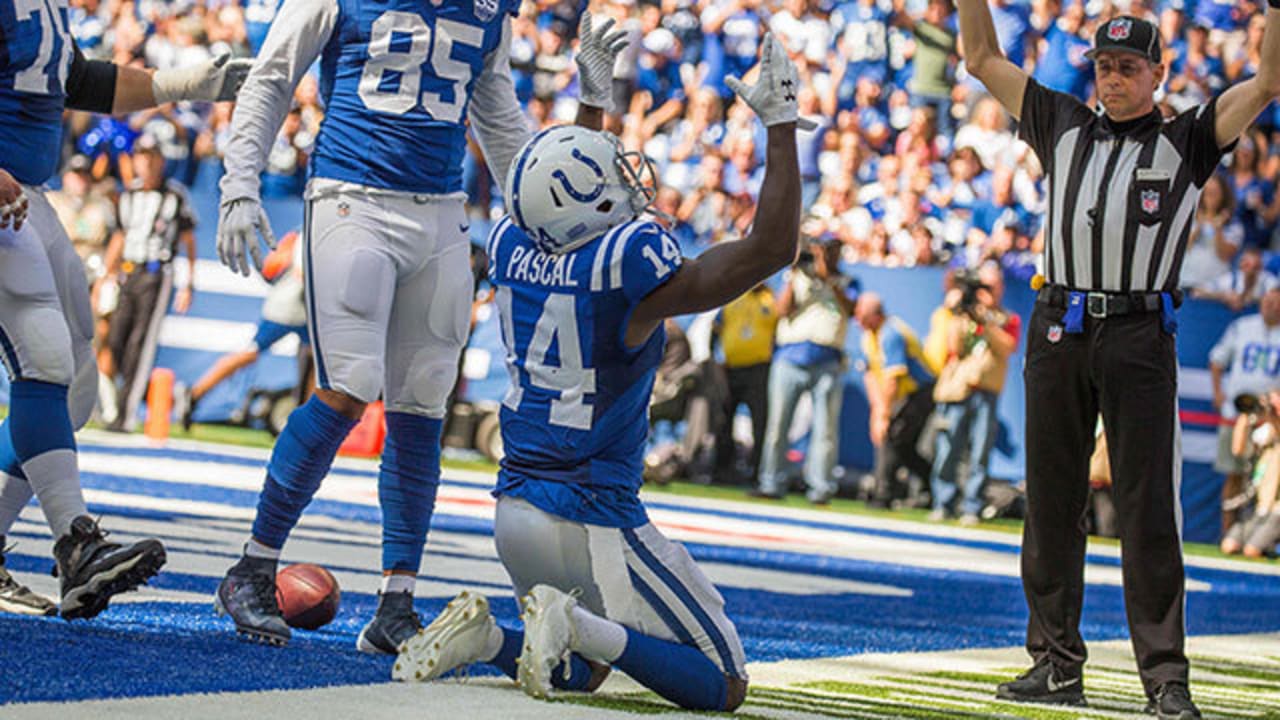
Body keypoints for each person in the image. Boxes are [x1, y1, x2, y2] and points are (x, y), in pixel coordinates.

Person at [394, 34, 804, 712]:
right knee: (723, 681)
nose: (627, 183)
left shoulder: (513, 241)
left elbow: (561, 195)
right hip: (591, 516)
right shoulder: (625, 272)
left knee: (577, 673)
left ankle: (485, 636)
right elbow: (772, 248)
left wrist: (592, 102)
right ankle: (575, 621)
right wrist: (781, 125)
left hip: (514, 510)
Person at [211, 4, 629, 653]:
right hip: (353, 196)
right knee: (350, 385)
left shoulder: (488, 11)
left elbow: (499, 118)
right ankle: (253, 566)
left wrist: (546, 209)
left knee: (425, 403)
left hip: (440, 211)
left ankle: (396, 602)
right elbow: (272, 76)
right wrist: (240, 182)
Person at [958, 0, 1280, 713]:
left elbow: (1266, 84)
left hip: (1139, 332)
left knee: (1147, 510)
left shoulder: (1187, 137)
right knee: (1050, 501)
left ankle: (1165, 680)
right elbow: (980, 59)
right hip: (1060, 324)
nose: (1113, 78)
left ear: (1158, 73)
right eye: (1104, 66)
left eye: (1128, 67)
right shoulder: (1061, 121)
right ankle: (1055, 664)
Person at [0, 12, 249, 618]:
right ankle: (76, 542)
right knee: (45, 360)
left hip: (29, 197)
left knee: (76, 385)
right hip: (7, 202)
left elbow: (80, 81)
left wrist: (191, 84)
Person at [95, 136, 197, 433]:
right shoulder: (128, 196)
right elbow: (120, 237)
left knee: (140, 344)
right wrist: (105, 276)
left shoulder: (174, 196)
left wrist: (188, 284)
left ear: (161, 161)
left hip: (156, 273)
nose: (147, 163)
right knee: (115, 341)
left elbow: (188, 239)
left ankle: (125, 415)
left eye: (152, 157)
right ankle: (111, 405)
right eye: (142, 157)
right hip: (128, 272)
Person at [755, 237, 858, 503]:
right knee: (778, 425)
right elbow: (782, 310)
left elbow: (851, 310)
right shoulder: (797, 277)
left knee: (825, 430)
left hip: (828, 360)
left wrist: (827, 278)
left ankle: (821, 487)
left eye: (830, 251)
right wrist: (793, 273)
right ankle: (771, 481)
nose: (826, 256)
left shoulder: (847, 281)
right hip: (790, 357)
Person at [174, 230, 308, 431]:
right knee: (253, 353)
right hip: (291, 307)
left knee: (311, 363)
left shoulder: (312, 231)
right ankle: (195, 393)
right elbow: (302, 273)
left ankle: (195, 393)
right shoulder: (313, 234)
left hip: (295, 307)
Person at [927, 263, 1020, 525]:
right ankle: (943, 501)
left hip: (987, 391)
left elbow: (1008, 347)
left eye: (991, 287)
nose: (985, 293)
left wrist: (986, 321)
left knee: (980, 452)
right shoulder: (964, 316)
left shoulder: (1007, 318)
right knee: (948, 448)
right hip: (959, 389)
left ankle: (972, 505)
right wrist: (959, 313)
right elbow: (954, 347)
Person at [1209, 286, 1280, 534]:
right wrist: (1218, 393)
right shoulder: (1242, 327)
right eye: (1268, 302)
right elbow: (1217, 359)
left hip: (1272, 419)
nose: (1271, 307)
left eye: (1276, 304)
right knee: (1233, 473)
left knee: (1269, 475)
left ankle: (1258, 534)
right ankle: (1228, 532)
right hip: (1237, 413)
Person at [855, 292, 935, 508]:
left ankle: (883, 492)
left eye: (862, 315)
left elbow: (894, 380)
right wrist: (876, 411)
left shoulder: (892, 333)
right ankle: (929, 482)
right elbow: (870, 376)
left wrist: (883, 414)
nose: (857, 320)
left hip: (920, 392)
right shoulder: (868, 336)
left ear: (876, 315)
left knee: (892, 435)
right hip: (902, 394)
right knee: (903, 446)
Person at [710, 283, 777, 485]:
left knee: (760, 421)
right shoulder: (734, 294)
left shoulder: (771, 299)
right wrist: (714, 359)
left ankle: (756, 472)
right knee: (723, 419)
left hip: (759, 368)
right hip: (730, 368)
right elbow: (715, 329)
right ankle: (721, 469)